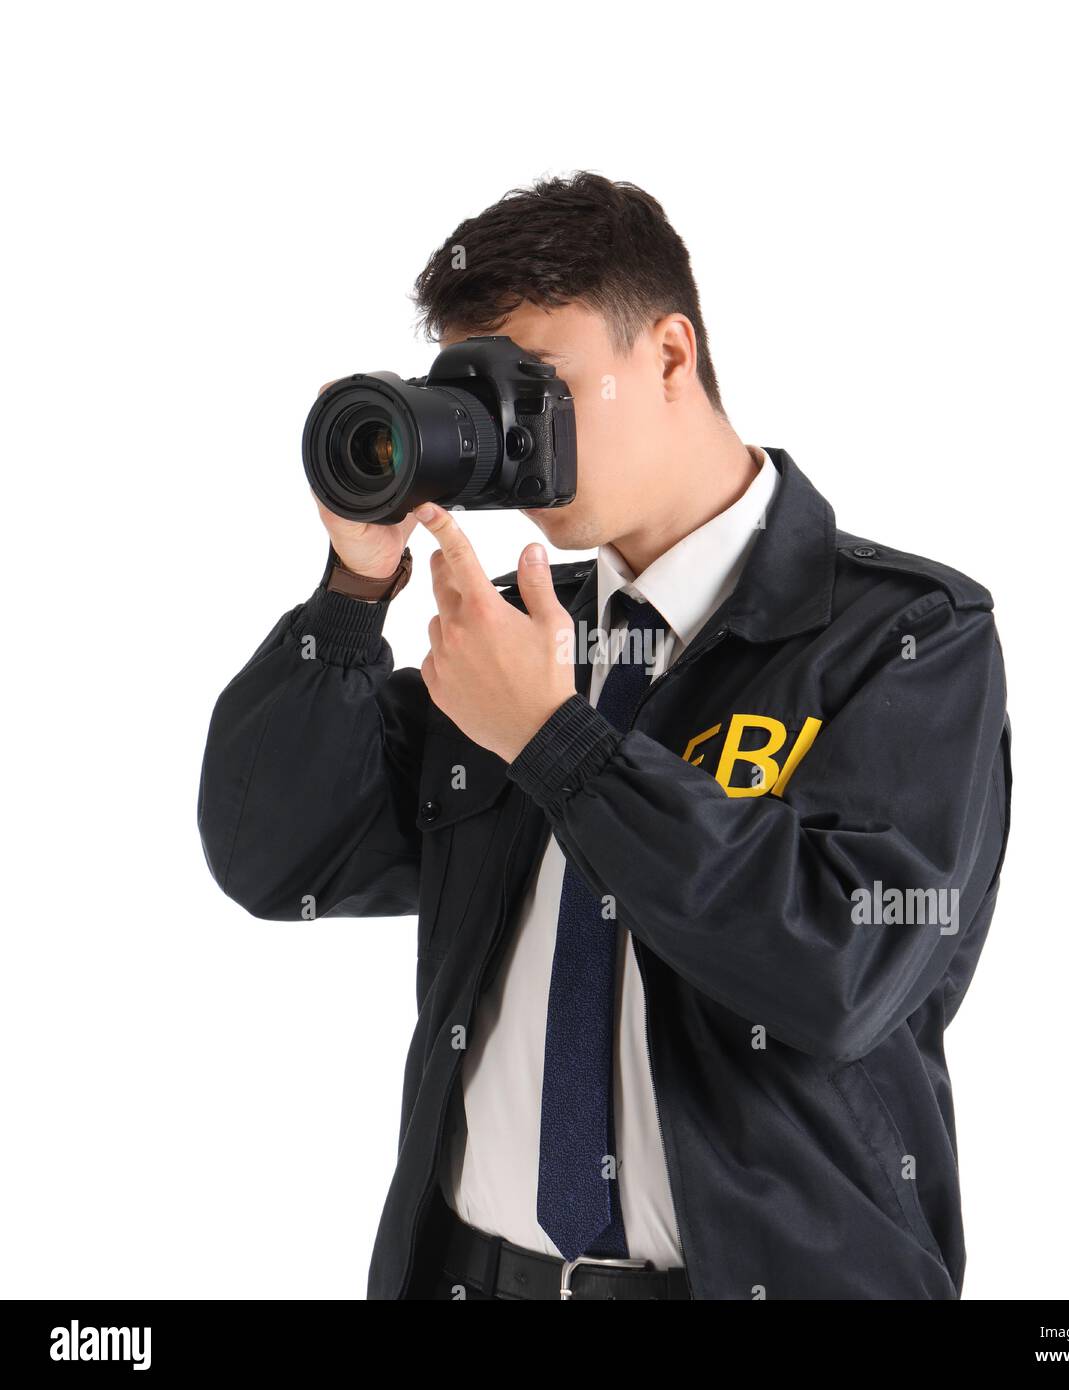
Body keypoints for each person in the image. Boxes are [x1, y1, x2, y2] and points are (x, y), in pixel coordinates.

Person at [198, 172, 1012, 1301]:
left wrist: (557, 742)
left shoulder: (904, 635)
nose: (518, 442)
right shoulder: (517, 635)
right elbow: (276, 858)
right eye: (483, 404)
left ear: (671, 354)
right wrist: (354, 589)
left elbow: (843, 970)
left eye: (543, 388)